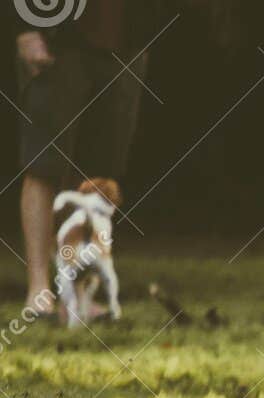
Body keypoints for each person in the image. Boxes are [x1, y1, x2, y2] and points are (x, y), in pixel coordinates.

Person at [12, 2, 166, 319]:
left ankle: (75, 295)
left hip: (125, 43)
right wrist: (24, 29)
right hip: (58, 38)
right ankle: (39, 289)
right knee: (45, 163)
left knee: (95, 174)